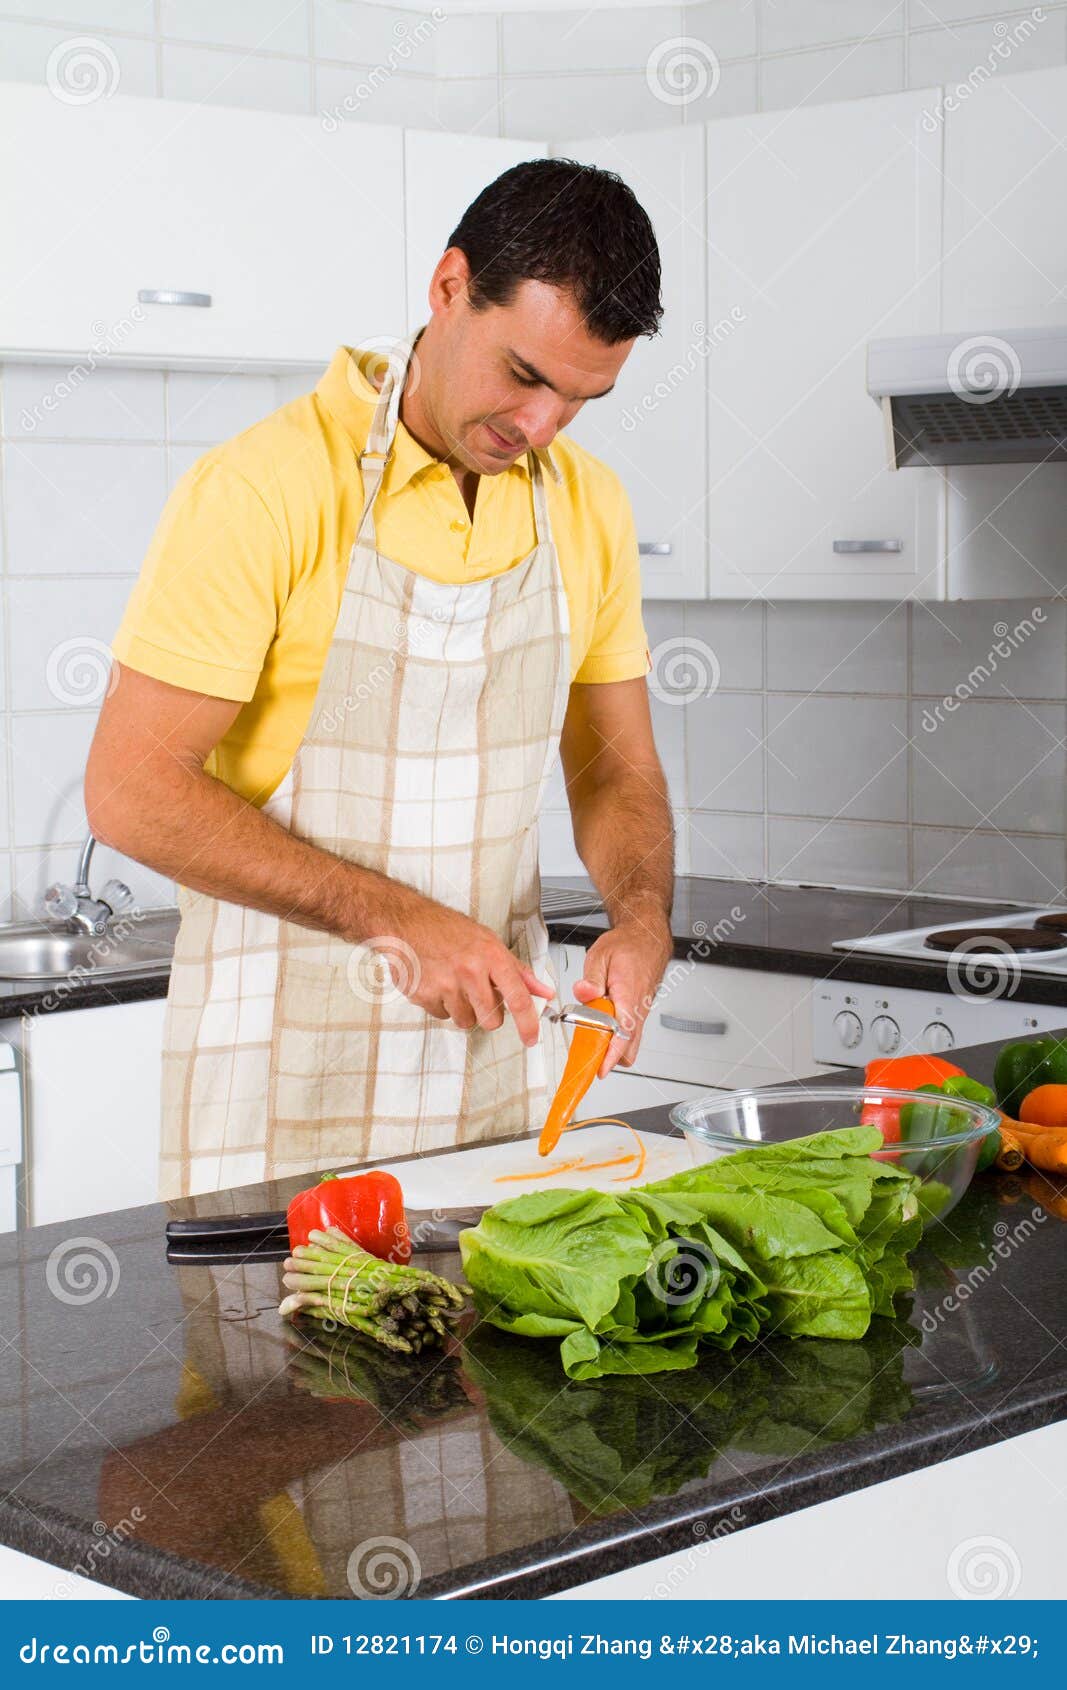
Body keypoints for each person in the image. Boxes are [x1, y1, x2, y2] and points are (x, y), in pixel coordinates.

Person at [85, 159, 675, 1198]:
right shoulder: (263, 490)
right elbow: (131, 788)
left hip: (488, 1096)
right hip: (274, 1099)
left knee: (484, 1365)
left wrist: (640, 914)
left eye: (580, 399)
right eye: (524, 376)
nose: (538, 428)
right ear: (449, 286)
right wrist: (395, 917)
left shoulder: (586, 508)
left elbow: (616, 768)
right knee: (275, 1367)